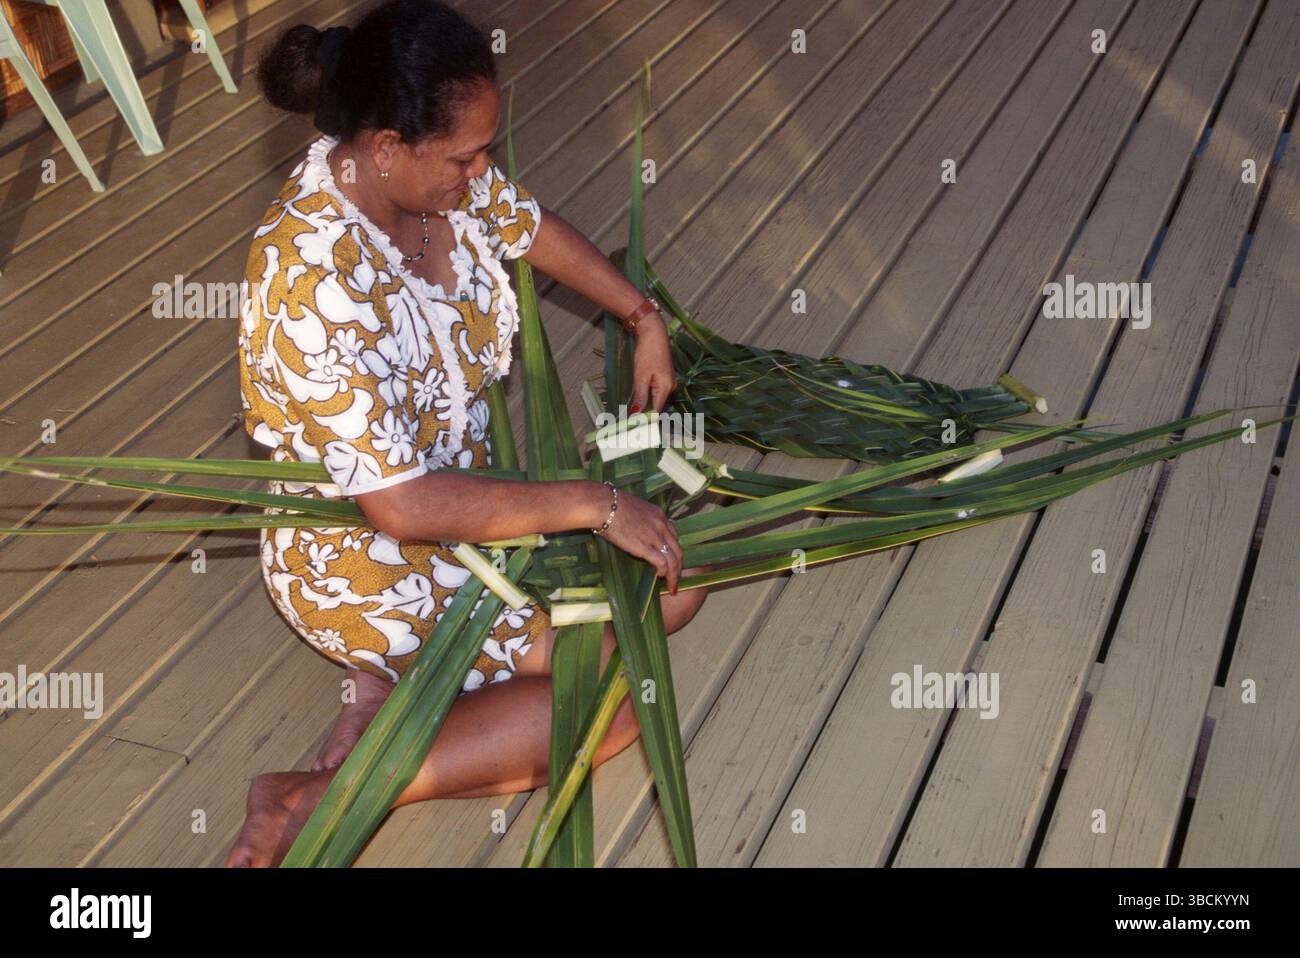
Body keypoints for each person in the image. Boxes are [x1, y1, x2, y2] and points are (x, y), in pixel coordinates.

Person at [229, 0, 707, 867]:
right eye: (465, 156)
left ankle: (391, 693)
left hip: (469, 503)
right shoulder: (309, 278)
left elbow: (531, 229)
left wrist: (643, 316)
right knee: (611, 695)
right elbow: (402, 505)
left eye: (486, 148)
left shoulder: (440, 178)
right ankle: (315, 793)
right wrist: (596, 505)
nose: (481, 171)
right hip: (360, 548)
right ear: (384, 147)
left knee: (680, 584)